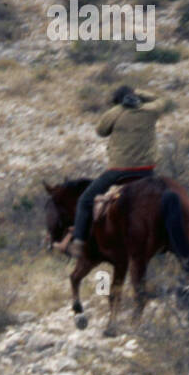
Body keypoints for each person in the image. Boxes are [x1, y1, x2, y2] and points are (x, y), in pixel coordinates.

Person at [53, 85, 161, 259]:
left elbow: (101, 131)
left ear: (118, 101)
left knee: (85, 200)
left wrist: (119, 107)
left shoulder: (115, 113)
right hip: (147, 172)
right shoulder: (150, 111)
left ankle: (78, 244)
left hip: (119, 171)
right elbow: (160, 100)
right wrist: (140, 93)